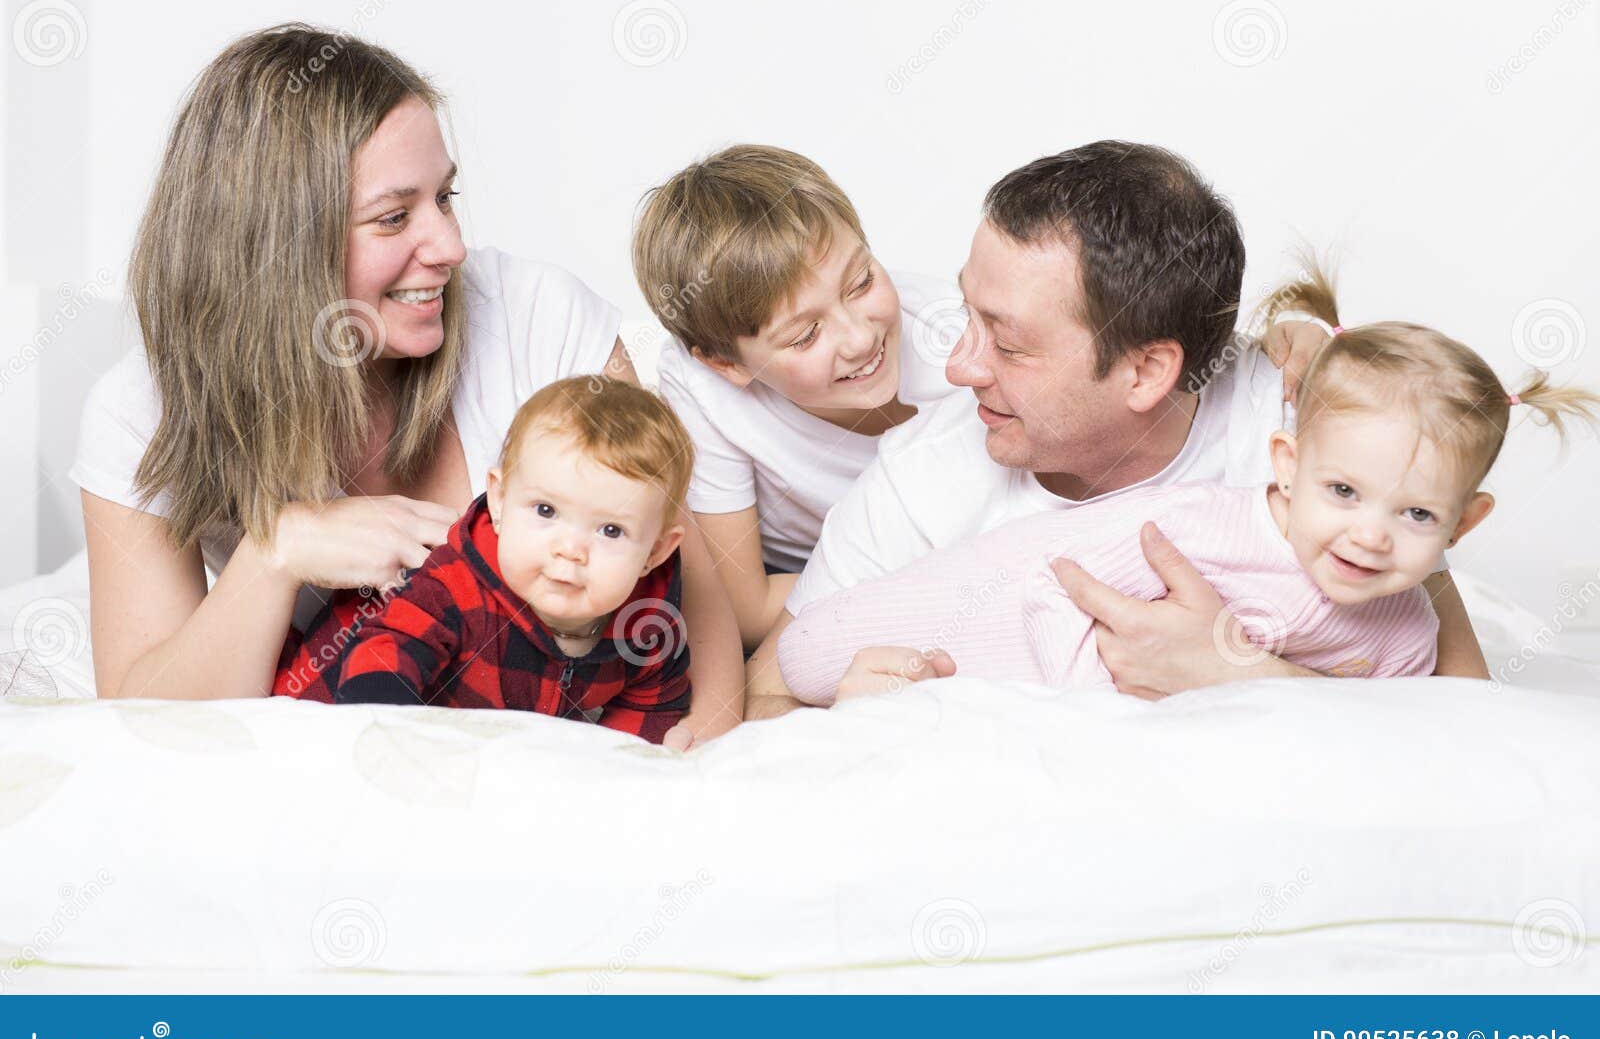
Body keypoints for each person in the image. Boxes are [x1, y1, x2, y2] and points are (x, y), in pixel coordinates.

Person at [69, 24, 742, 745]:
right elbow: (142, 720)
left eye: (445, 197)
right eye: (394, 217)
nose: (451, 246)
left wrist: (681, 766)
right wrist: (276, 554)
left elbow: (691, 610)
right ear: (274, 248)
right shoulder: (140, 412)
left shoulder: (537, 318)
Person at [745, 141, 1490, 713]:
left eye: (1008, 344)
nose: (958, 367)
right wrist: (844, 720)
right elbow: (767, 689)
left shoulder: (1312, 440)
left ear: (1146, 372)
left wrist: (1242, 676)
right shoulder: (920, 478)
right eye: (966, 314)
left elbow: (1467, 712)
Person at [777, 261, 1598, 700]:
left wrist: (1243, 676)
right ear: (1287, 466)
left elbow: (1444, 730)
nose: (1371, 534)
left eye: (1417, 514)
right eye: (1344, 493)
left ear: (1461, 523)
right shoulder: (1198, 524)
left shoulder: (1406, 615)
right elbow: (1043, 588)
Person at [633, 145, 961, 648]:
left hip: (943, 557)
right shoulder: (702, 388)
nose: (860, 338)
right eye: (805, 336)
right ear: (727, 364)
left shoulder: (956, 337)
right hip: (802, 575)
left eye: (861, 283)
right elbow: (749, 612)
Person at [277, 378, 696, 743]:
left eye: (611, 530)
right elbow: (383, 655)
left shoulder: (648, 628)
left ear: (656, 551)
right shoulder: (452, 586)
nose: (570, 550)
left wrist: (607, 768)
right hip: (329, 707)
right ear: (499, 500)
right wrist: (401, 747)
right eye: (546, 511)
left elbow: (653, 704)